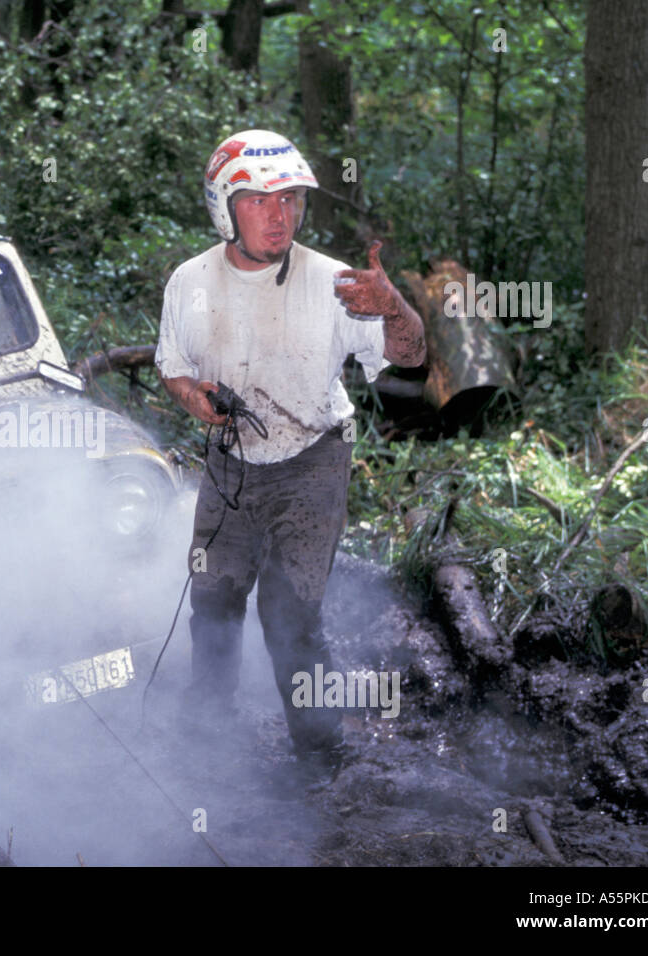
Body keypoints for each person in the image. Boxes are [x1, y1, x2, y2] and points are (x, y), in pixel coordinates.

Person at [155, 129, 426, 774]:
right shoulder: (188, 282)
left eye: (290, 201)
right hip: (229, 461)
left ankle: (321, 753)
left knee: (290, 615)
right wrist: (194, 399)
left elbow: (412, 365)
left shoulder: (336, 283)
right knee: (213, 598)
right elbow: (174, 368)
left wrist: (394, 310)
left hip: (312, 462)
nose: (279, 216)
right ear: (225, 205)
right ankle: (208, 736)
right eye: (259, 201)